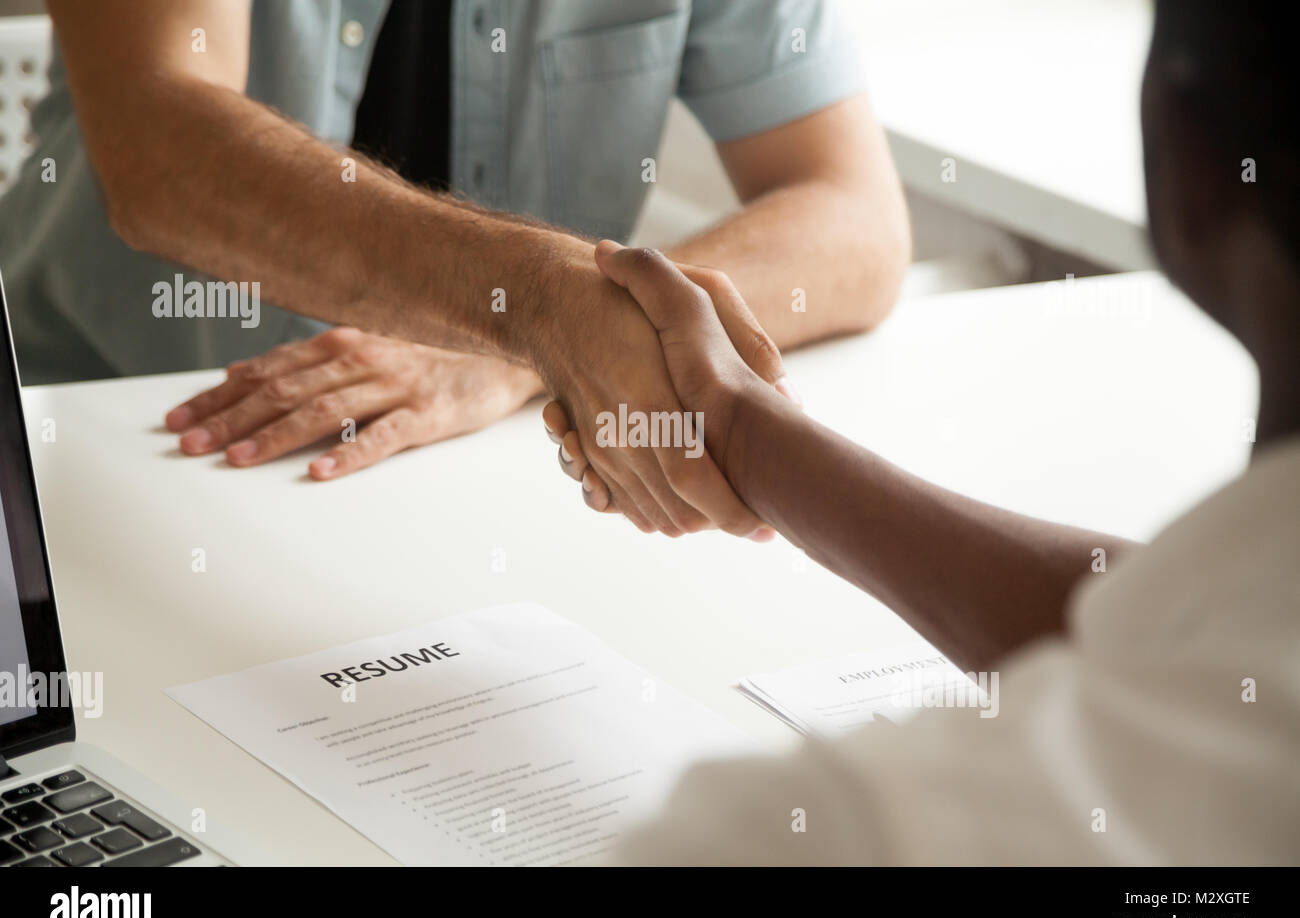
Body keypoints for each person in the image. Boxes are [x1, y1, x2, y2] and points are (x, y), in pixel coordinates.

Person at [544, 0, 1298, 864]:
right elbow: (1164, 620)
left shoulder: (823, 831)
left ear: (1189, 159)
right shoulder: (1239, 637)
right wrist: (751, 438)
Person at [0, 0, 908, 494]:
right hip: (95, 444)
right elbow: (162, 152)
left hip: (471, 470)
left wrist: (513, 355)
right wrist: (536, 304)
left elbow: (856, 214)